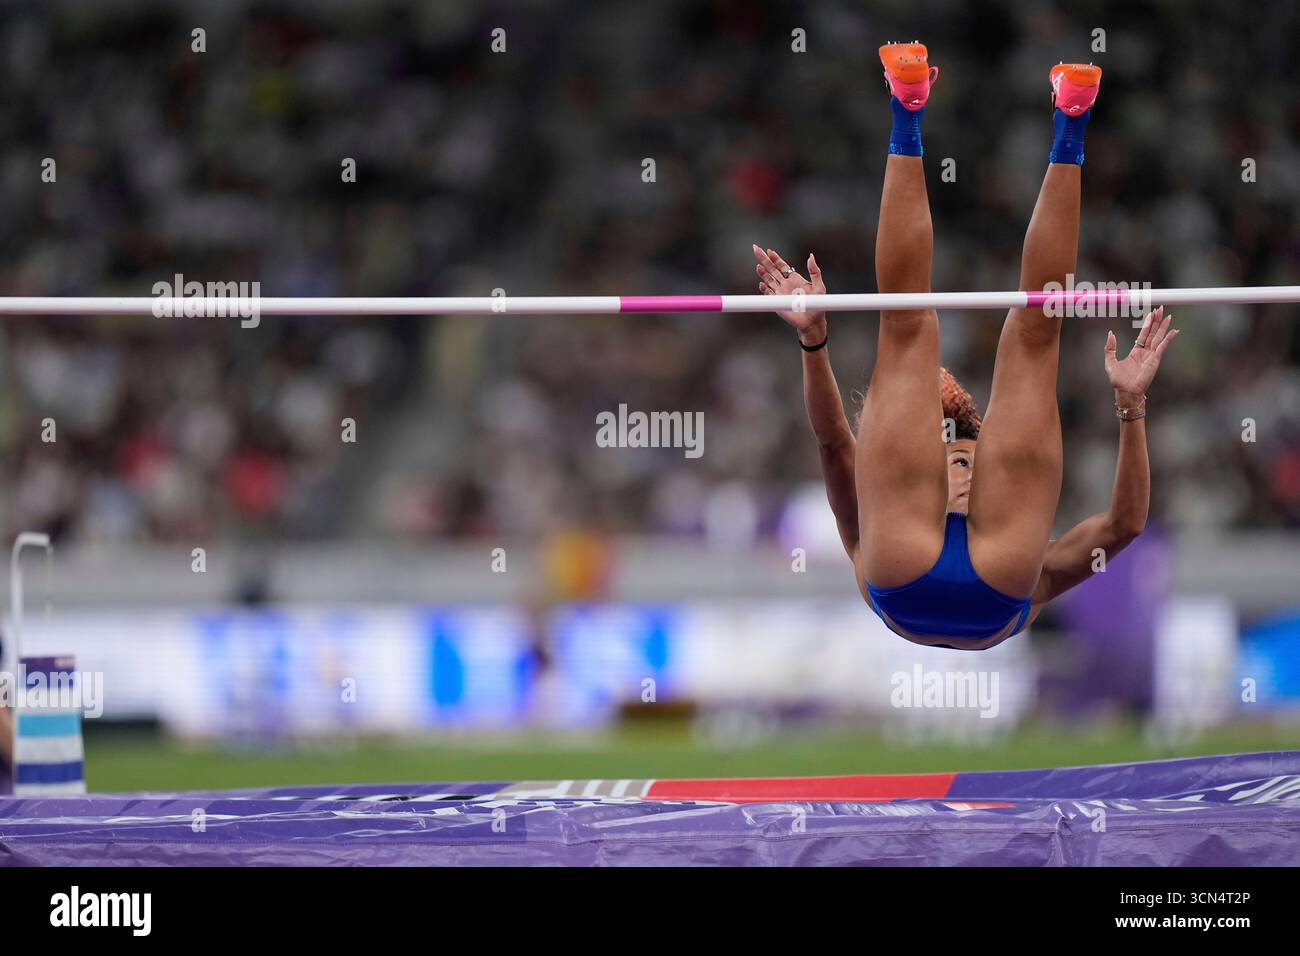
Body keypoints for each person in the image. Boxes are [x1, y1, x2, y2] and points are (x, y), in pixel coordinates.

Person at [753, 42, 1178, 649]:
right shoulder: (1042, 574)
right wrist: (1131, 408)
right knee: (1039, 328)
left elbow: (833, 443)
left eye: (965, 464)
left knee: (904, 323)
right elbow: (1125, 524)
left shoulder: (867, 534)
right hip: (1001, 585)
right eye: (961, 464)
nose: (968, 481)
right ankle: (1072, 121)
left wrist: (814, 341)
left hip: (900, 575)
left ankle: (907, 109)